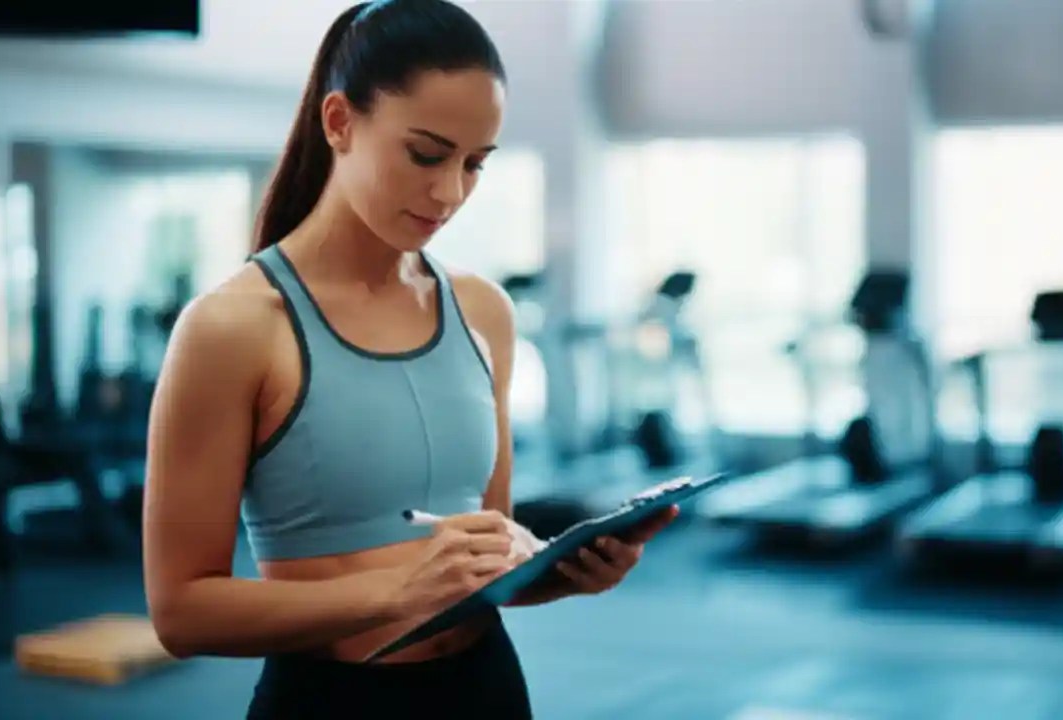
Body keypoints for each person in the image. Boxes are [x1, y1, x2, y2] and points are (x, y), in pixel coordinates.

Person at [140, 1, 678, 717]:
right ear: (339, 123)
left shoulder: (484, 313)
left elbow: (487, 565)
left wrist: (566, 571)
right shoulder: (232, 327)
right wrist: (394, 592)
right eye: (426, 154)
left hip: (486, 689)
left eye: (475, 164)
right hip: (332, 701)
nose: (450, 191)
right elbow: (181, 613)